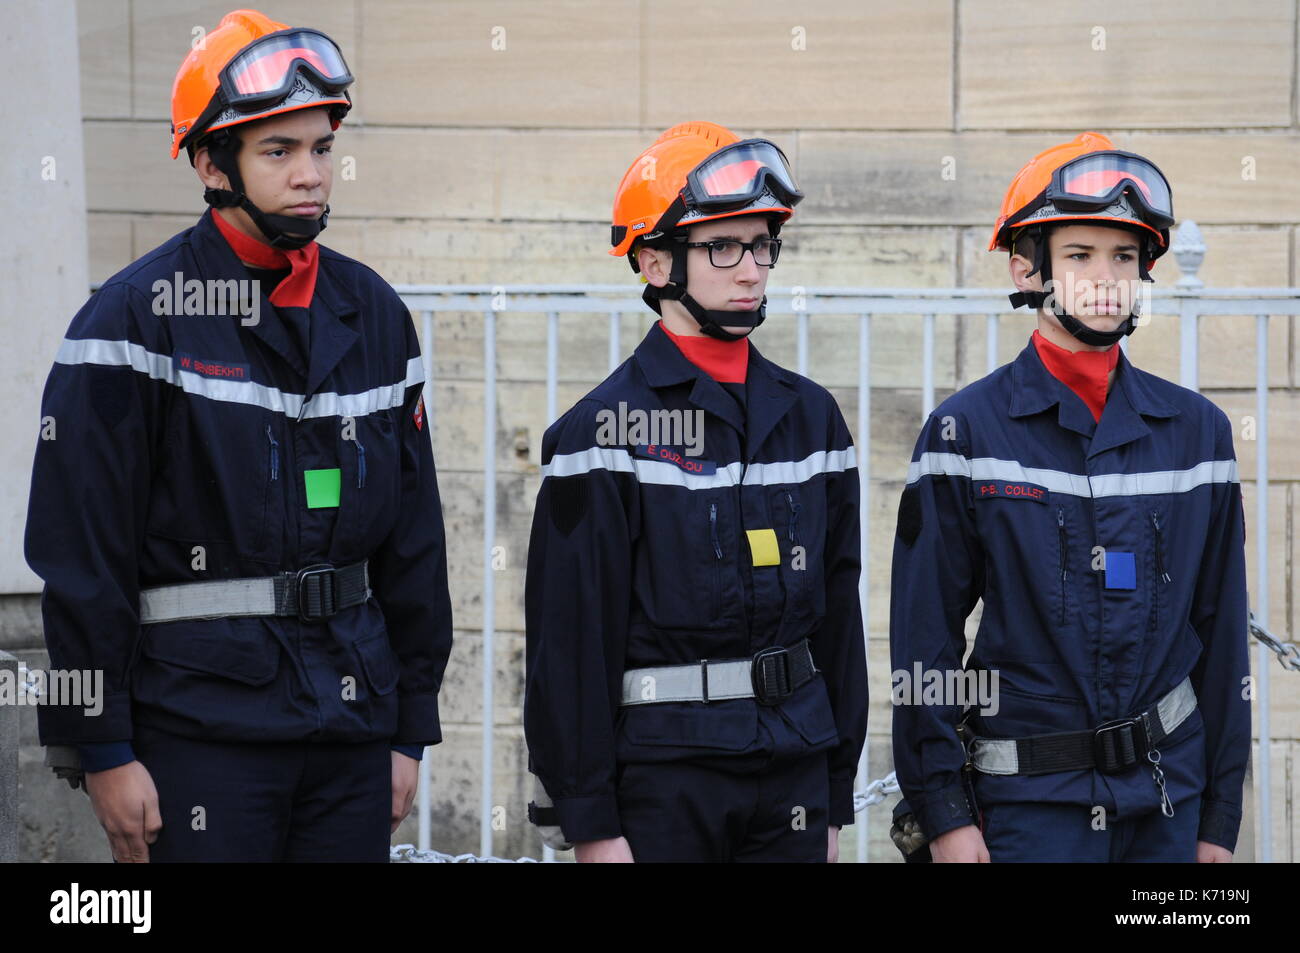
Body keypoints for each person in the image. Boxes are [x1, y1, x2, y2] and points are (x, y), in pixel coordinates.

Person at [26, 8, 453, 862]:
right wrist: (102, 748)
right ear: (209, 162)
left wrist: (410, 729)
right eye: (278, 151)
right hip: (198, 736)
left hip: (349, 731)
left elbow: (414, 543)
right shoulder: (132, 321)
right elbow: (82, 554)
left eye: (321, 148)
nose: (311, 174)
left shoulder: (374, 316)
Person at [889, 132, 1250, 863]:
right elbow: (924, 640)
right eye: (1080, 256)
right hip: (1028, 812)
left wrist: (1217, 818)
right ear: (1029, 268)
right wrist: (947, 816)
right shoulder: (966, 432)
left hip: (1166, 806)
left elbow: (1221, 638)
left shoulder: (1198, 435)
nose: (1106, 278)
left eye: (1123, 256)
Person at [523, 121, 868, 863]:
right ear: (654, 261)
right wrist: (591, 822)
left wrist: (833, 791)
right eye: (722, 246)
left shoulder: (814, 421)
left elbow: (840, 618)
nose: (751, 269)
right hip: (663, 783)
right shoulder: (601, 432)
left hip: (793, 776)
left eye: (761, 244)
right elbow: (570, 640)